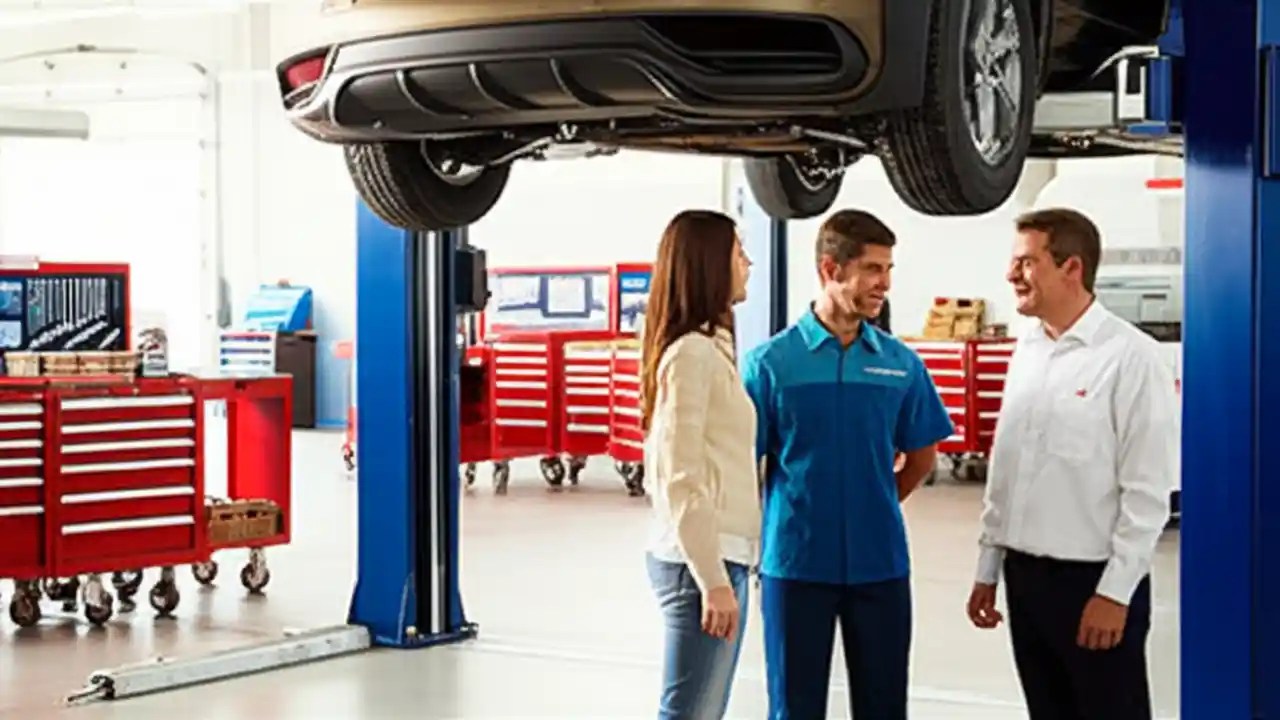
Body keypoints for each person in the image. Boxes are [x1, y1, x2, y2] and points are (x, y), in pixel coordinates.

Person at [741, 210, 954, 719]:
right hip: (795, 565)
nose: (885, 283)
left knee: (884, 707)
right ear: (830, 269)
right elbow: (744, 465)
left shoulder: (900, 364)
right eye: (873, 269)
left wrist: (876, 501)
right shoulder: (770, 365)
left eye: (888, 269)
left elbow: (922, 454)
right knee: (794, 708)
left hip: (880, 564)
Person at [965, 208, 1177, 720]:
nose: (1011, 275)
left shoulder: (1132, 358)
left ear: (1072, 268)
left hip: (1092, 583)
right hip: (1025, 579)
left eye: (1026, 262)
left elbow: (1147, 493)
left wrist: (1115, 594)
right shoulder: (1028, 351)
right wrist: (989, 567)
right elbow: (1006, 470)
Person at [641, 209, 759, 720]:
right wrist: (712, 579)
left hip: (718, 557)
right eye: (738, 252)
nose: (748, 263)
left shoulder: (711, 349)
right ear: (710, 264)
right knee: (690, 714)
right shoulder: (691, 354)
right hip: (701, 564)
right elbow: (679, 474)